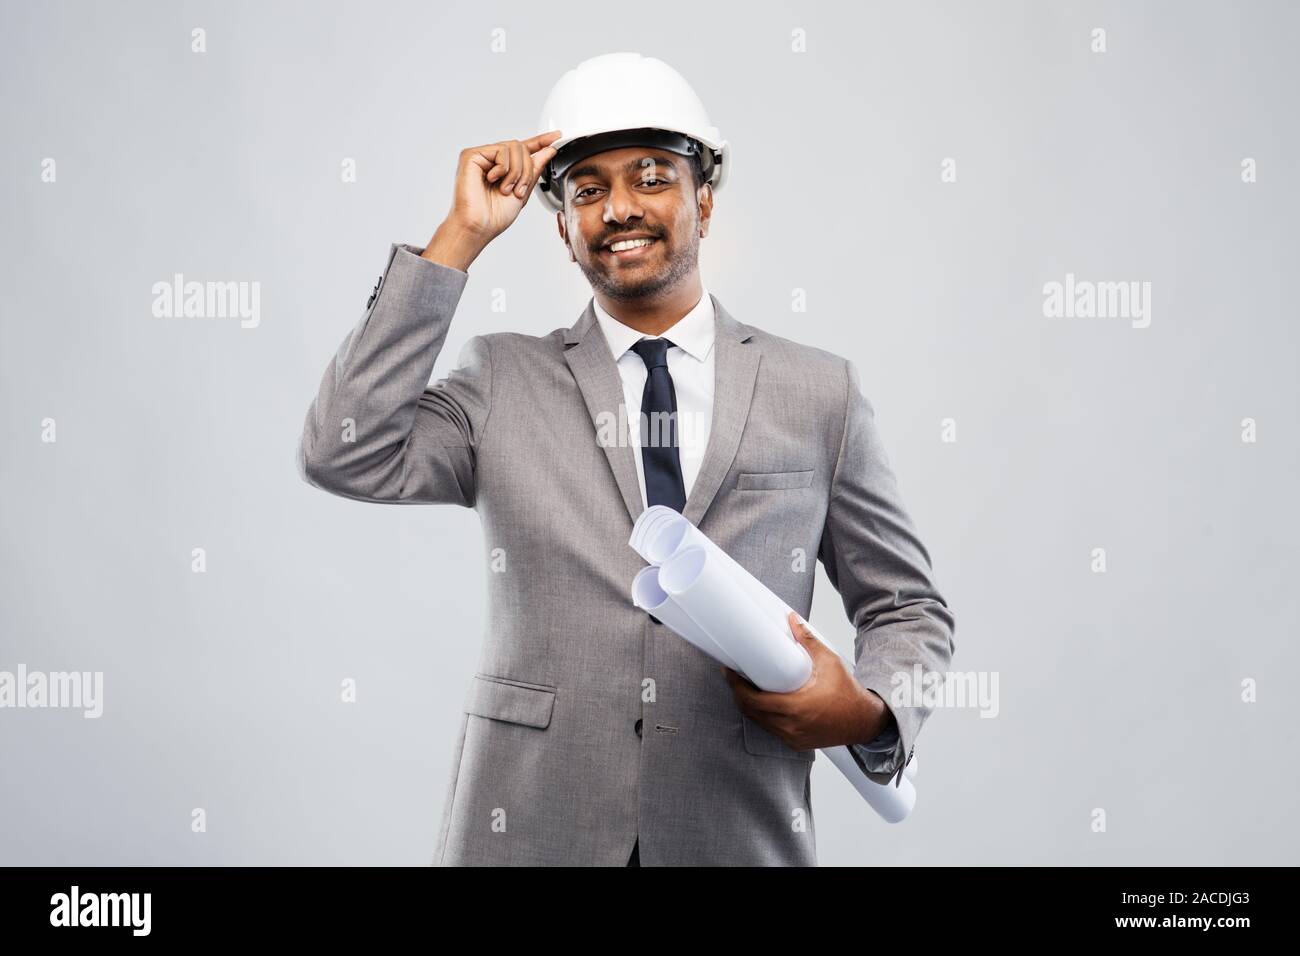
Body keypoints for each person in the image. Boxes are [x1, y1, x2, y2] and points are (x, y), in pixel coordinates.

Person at [297, 53, 955, 866]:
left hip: (735, 831)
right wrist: (457, 238)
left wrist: (866, 712)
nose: (619, 208)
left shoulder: (818, 390)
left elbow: (907, 606)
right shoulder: (501, 377)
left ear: (703, 201)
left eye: (651, 177)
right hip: (530, 827)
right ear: (563, 227)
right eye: (587, 190)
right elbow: (342, 452)